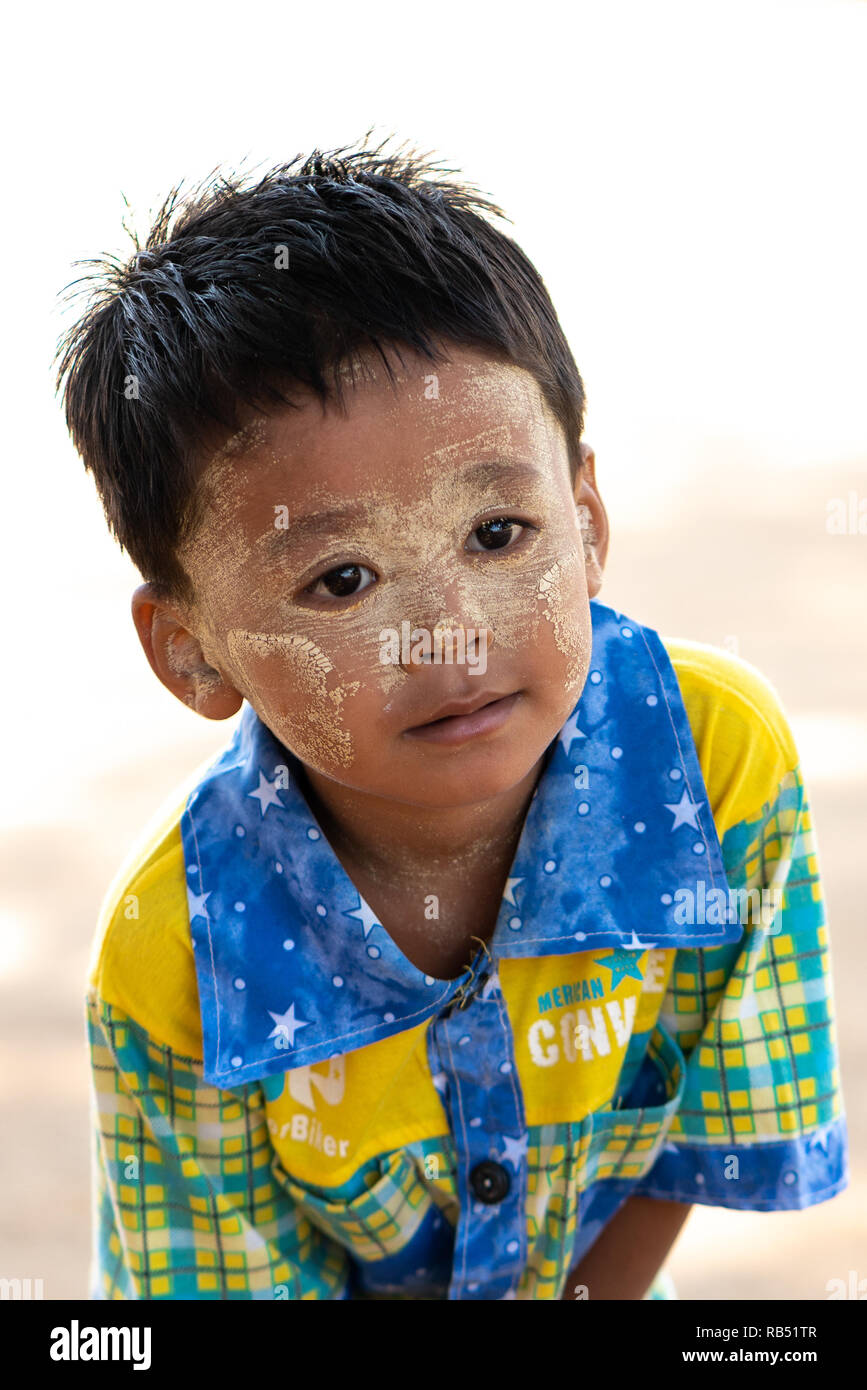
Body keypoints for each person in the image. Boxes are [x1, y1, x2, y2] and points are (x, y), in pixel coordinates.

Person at [57, 136, 848, 1301]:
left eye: (497, 536)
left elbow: (710, 1126)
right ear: (192, 651)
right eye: (343, 580)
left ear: (585, 519)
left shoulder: (712, 764)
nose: (450, 636)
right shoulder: (180, 955)